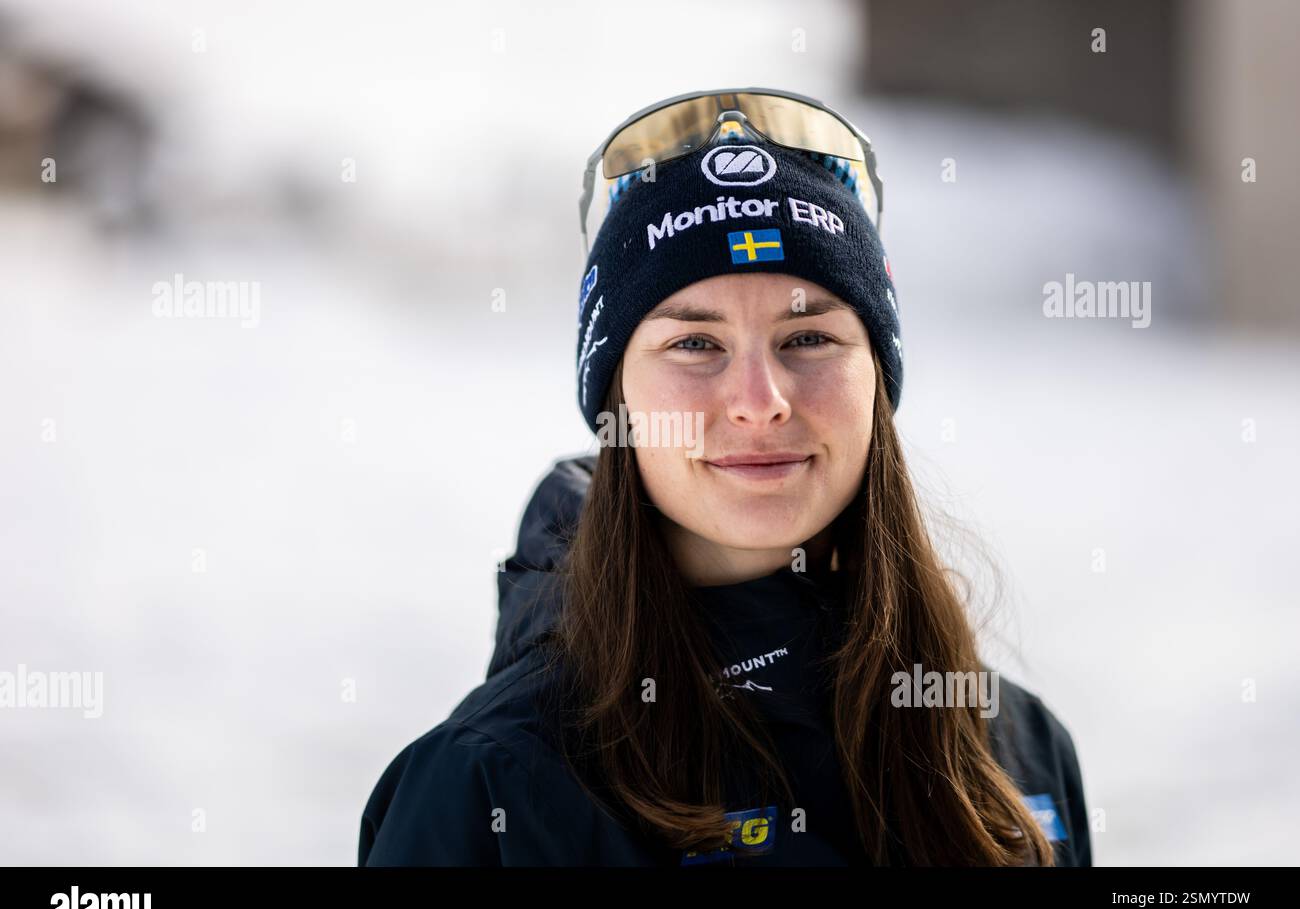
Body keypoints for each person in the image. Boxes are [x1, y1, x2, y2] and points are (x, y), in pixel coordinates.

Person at [358, 88, 1091, 866]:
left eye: (808, 337)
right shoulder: (493, 784)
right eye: (695, 345)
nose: (760, 403)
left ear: (877, 381)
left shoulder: (1013, 752)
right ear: (619, 398)